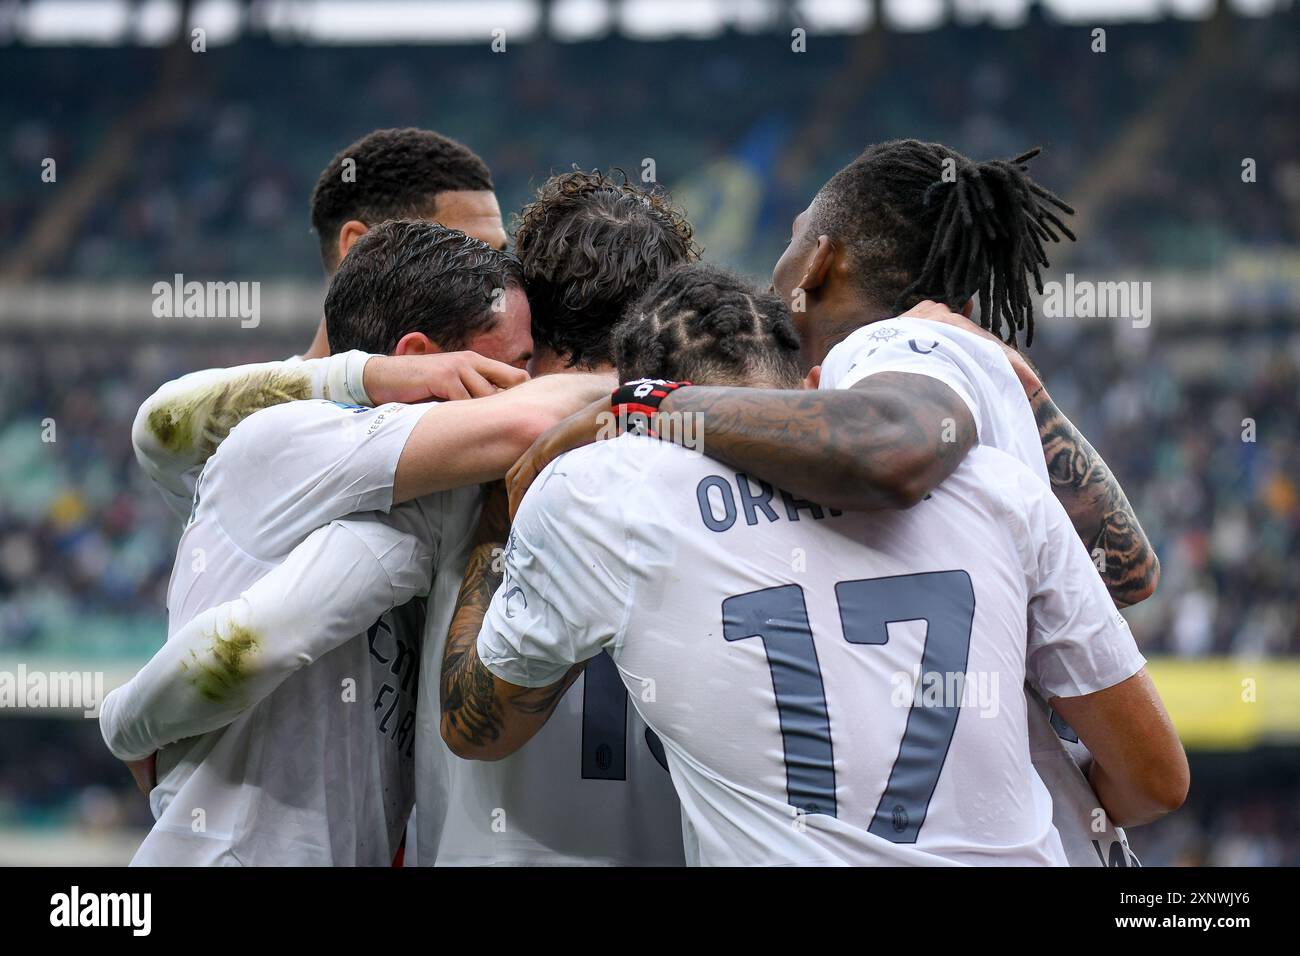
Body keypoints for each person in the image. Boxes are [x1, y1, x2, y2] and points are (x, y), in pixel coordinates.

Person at [508, 140, 1159, 865]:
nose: (775, 267)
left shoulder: (882, 353)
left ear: (818, 261)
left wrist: (645, 400)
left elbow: (887, 449)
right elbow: (1128, 570)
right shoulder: (966, 376)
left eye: (789, 240)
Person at [99, 223, 607, 864]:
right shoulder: (289, 439)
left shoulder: (435, 495)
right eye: (517, 365)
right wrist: (125, 723)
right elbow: (250, 641)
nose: (532, 380)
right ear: (424, 355)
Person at [134, 127, 511, 521]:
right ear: (362, 250)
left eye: (499, 256)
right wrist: (372, 378)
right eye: (466, 255)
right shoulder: (256, 428)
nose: (496, 283)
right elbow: (158, 426)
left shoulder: (491, 408)